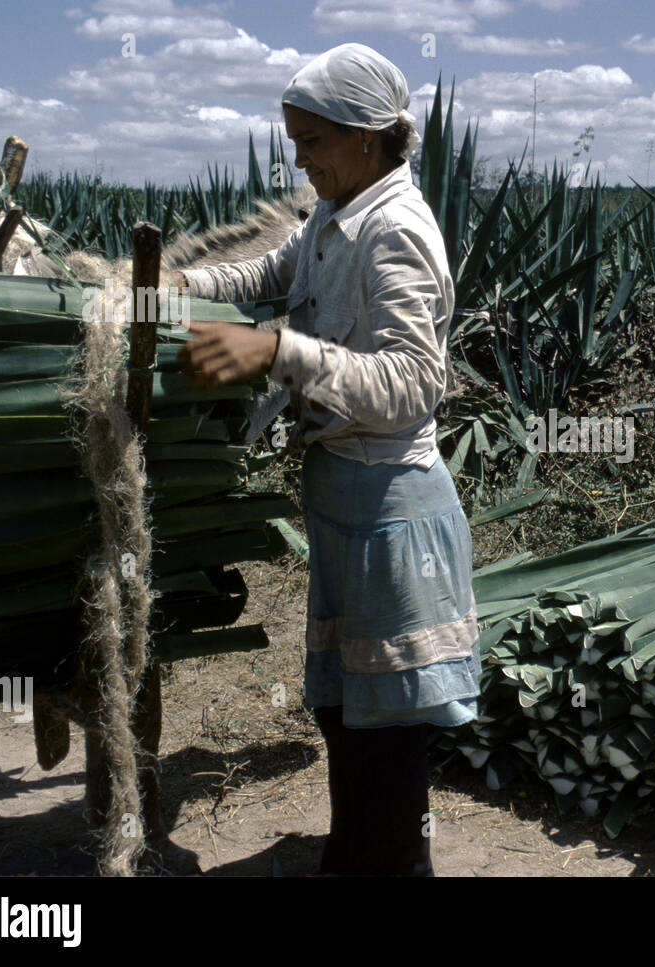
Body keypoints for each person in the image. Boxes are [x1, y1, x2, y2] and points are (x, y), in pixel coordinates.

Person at [175, 43, 479, 876]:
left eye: (311, 141)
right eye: (296, 140)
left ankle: (388, 866)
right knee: (348, 711)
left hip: (392, 507)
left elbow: (413, 384)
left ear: (369, 137)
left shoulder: (397, 231)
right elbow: (274, 267)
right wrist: (177, 289)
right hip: (344, 501)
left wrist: (277, 351)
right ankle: (355, 858)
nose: (299, 159)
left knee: (387, 729)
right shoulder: (335, 214)